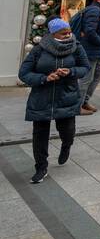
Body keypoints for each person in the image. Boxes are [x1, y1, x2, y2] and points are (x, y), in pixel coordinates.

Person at [18, 17, 90, 184]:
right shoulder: (39, 49)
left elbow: (85, 68)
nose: (68, 35)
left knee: (67, 131)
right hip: (42, 97)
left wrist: (70, 71)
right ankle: (41, 167)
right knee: (40, 135)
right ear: (53, 34)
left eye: (69, 32)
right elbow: (24, 73)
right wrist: (44, 78)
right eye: (63, 33)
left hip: (67, 95)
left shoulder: (76, 47)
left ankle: (66, 146)